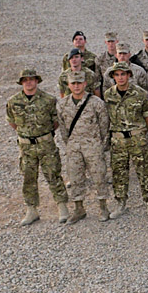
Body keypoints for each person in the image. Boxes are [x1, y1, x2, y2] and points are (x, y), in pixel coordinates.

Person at [6, 69, 69, 226]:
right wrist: (27, 135)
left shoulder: (48, 100)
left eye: (31, 79)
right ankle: (32, 210)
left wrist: (42, 134)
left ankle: (62, 206)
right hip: (26, 147)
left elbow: (56, 122)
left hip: (46, 144)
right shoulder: (13, 101)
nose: (28, 82)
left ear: (37, 81)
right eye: (25, 80)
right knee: (28, 178)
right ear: (21, 82)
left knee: (53, 174)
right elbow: (12, 122)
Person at [103, 62, 148, 219]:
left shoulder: (140, 93)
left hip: (137, 138)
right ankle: (121, 203)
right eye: (117, 75)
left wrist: (139, 131)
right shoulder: (108, 95)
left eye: (123, 74)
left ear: (129, 75)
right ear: (113, 77)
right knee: (119, 172)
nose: (120, 77)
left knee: (144, 171)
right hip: (118, 140)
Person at [56, 70, 110, 223]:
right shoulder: (62, 104)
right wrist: (71, 143)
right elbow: (63, 128)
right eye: (73, 83)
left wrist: (95, 140)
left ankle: (103, 207)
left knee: (99, 176)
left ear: (85, 84)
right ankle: (79, 208)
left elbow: (104, 124)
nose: (77, 86)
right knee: (75, 177)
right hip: (73, 146)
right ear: (69, 85)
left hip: (92, 145)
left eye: (79, 83)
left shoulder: (96, 103)